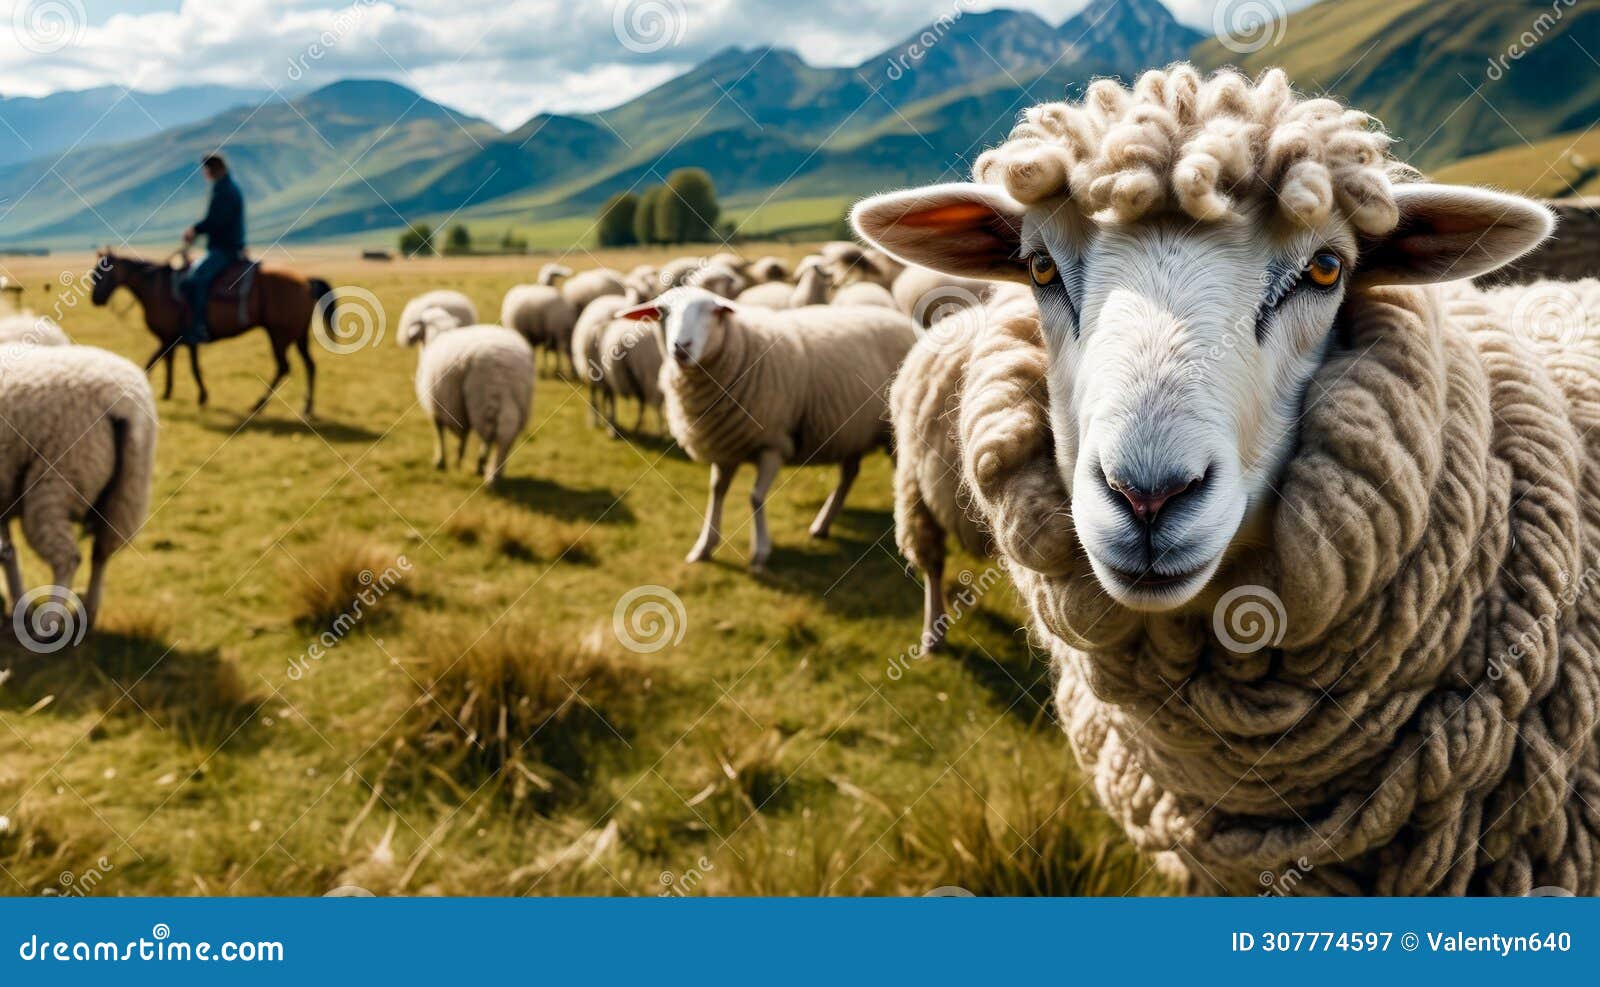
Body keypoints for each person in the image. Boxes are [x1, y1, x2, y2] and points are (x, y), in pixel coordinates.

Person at [180, 153, 246, 344]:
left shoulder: (225, 191)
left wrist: (195, 230)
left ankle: (199, 327)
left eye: (207, 170)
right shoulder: (225, 187)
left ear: (215, 170)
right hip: (225, 247)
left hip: (224, 249)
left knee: (195, 280)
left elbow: (215, 221)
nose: (205, 174)